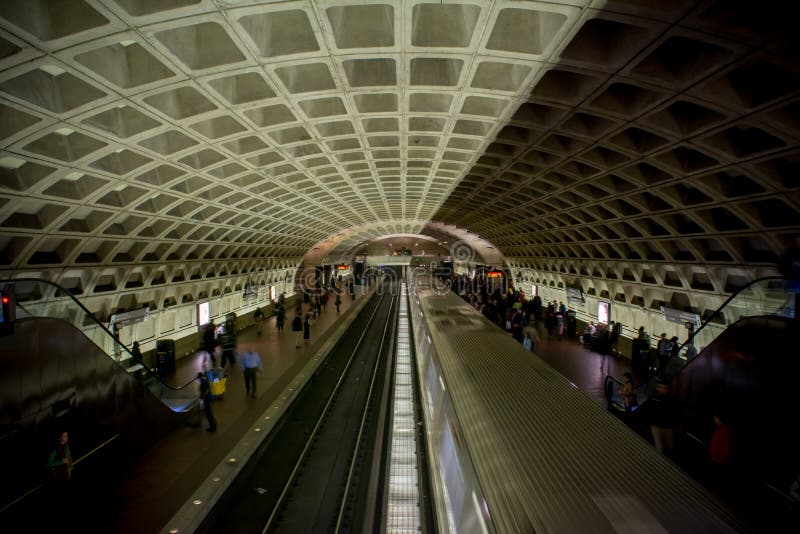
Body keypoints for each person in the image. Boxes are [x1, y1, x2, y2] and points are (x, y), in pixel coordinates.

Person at [639, 380, 678, 455]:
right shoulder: (654, 398)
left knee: (671, 445)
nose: (662, 389)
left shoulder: (671, 400)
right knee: (659, 446)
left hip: (668, 427)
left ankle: (671, 459)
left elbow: (675, 413)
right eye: (660, 387)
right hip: (656, 426)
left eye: (664, 387)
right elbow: (646, 409)